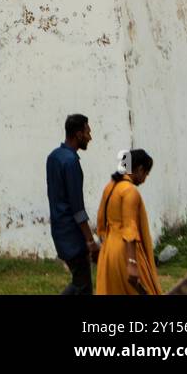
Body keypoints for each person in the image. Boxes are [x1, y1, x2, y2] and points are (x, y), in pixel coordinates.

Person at [96, 150, 162, 295]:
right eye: (146, 174)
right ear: (139, 169)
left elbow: (100, 221)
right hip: (125, 251)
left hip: (108, 250)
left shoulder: (110, 186)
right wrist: (132, 263)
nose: (145, 179)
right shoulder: (129, 191)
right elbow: (129, 228)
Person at [46, 113, 98, 295]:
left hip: (59, 230)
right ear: (78, 134)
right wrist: (90, 240)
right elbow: (77, 208)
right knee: (82, 285)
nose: (90, 137)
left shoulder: (54, 157)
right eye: (87, 132)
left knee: (82, 285)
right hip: (73, 234)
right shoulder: (70, 162)